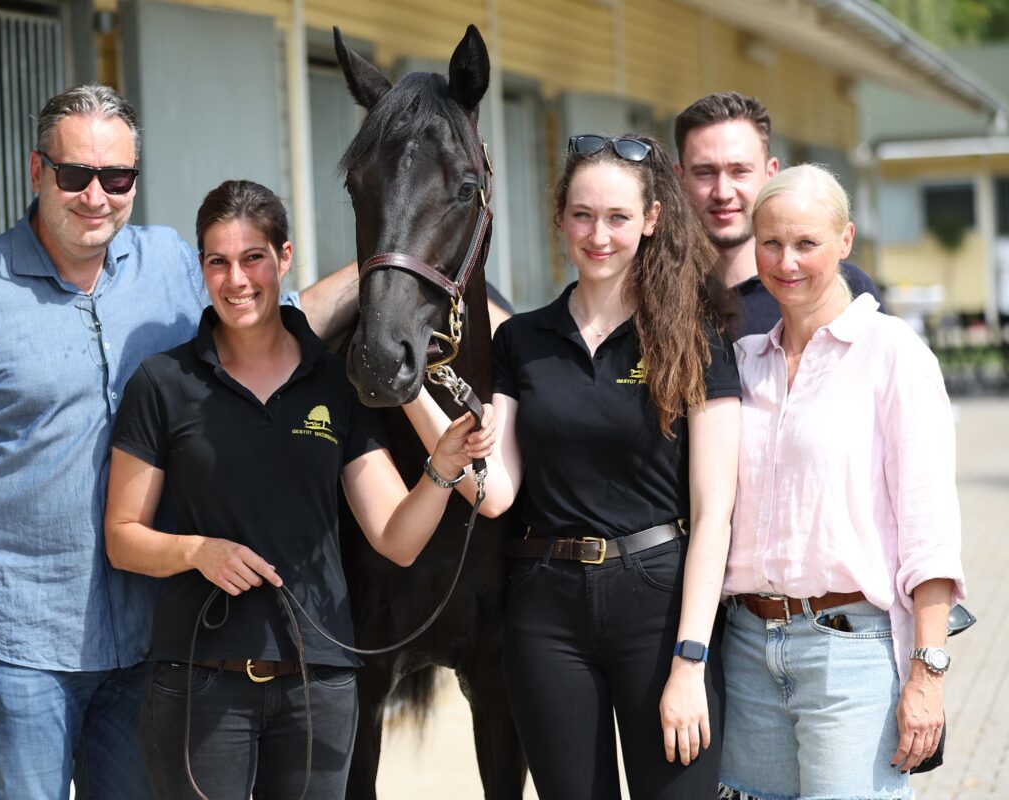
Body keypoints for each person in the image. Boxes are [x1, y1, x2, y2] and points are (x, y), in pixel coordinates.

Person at [0, 84, 345, 799]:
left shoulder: (172, 268)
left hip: (150, 642)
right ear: (37, 173)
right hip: (22, 649)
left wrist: (392, 273)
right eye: (75, 175)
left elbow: (275, 312)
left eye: (116, 177)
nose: (96, 196)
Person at [103, 179, 493, 799]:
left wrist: (441, 467)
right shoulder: (163, 383)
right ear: (201, 269)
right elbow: (123, 539)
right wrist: (196, 551)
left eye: (253, 257)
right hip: (202, 685)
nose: (237, 281)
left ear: (284, 260)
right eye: (218, 262)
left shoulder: (336, 384)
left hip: (318, 690)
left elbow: (395, 536)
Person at [405, 134, 741, 799]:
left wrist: (690, 661)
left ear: (650, 221)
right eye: (582, 215)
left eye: (618, 218)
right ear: (560, 217)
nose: (599, 235)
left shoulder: (693, 338)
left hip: (659, 604)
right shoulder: (522, 340)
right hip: (547, 609)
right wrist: (411, 390)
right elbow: (496, 493)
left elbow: (714, 515)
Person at [720, 164, 965, 799]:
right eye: (770, 242)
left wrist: (928, 673)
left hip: (849, 656)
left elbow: (929, 532)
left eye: (806, 243)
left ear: (846, 240)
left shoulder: (893, 354)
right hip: (747, 651)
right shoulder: (742, 364)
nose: (786, 260)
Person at [673, 91, 886, 338]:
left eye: (740, 171)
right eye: (705, 172)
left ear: (770, 172)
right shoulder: (660, 294)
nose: (723, 192)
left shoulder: (843, 287)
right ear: (680, 178)